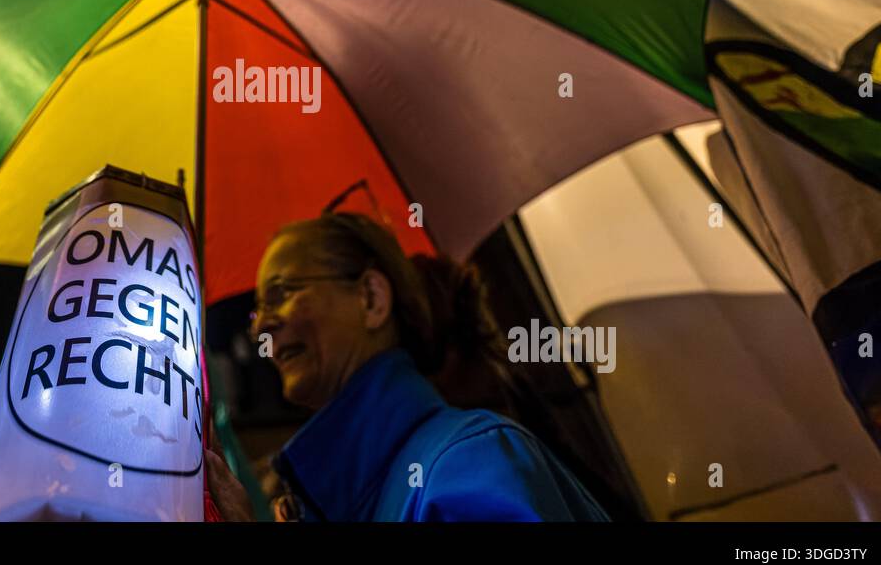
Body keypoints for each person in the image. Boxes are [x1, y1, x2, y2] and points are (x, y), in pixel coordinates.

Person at [205, 213, 608, 522]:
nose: (261, 323)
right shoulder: (337, 496)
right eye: (258, 308)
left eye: (282, 292)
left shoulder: (471, 459)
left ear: (371, 298)